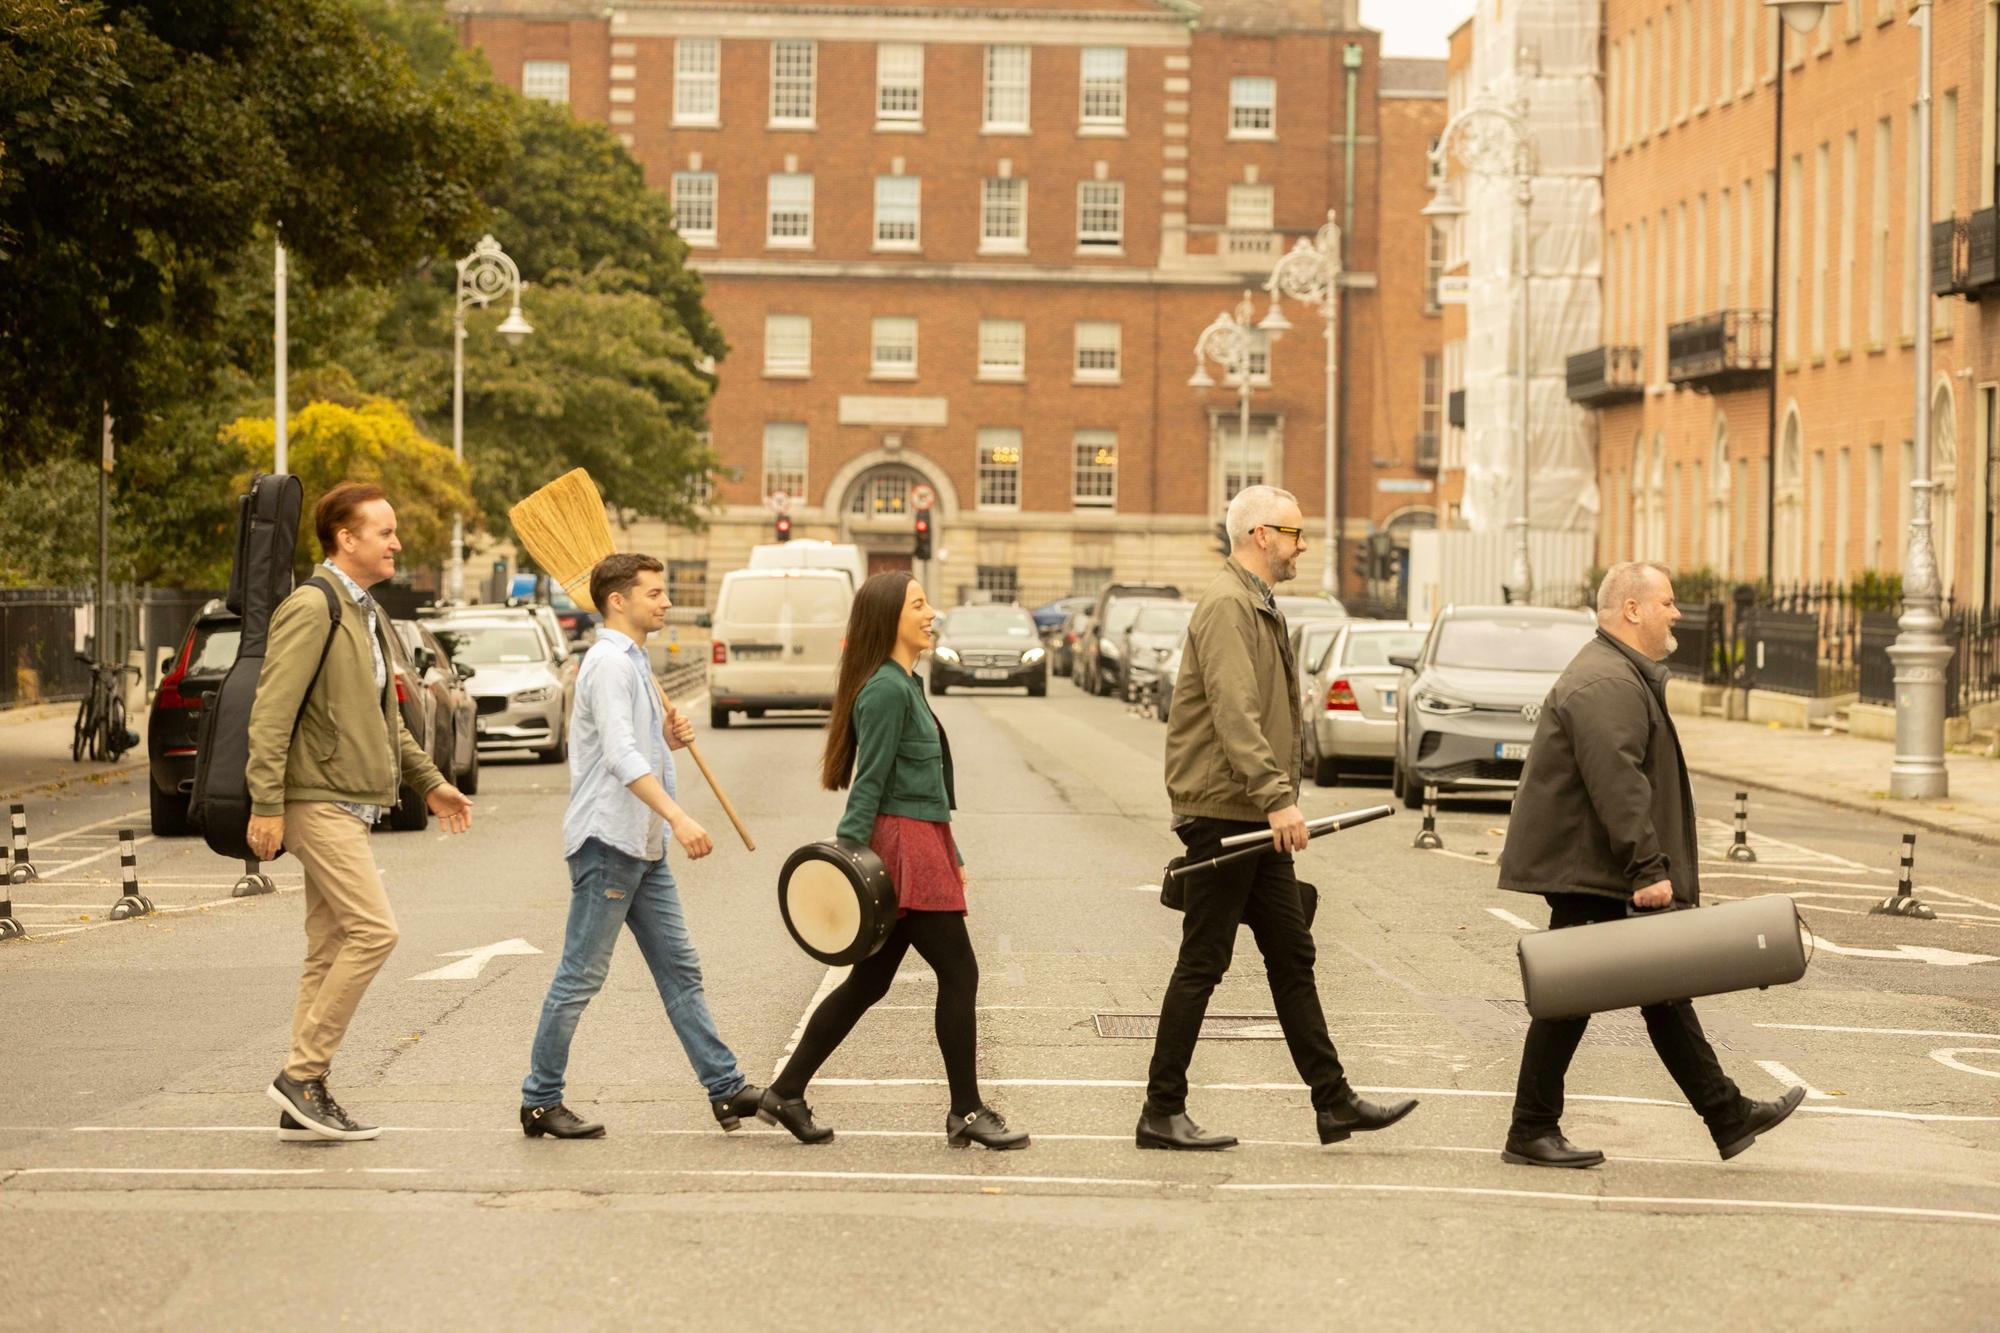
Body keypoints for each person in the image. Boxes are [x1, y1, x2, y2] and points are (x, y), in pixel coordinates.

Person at [1497, 561, 1806, 1168]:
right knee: (1574, 997)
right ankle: (1531, 1127)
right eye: (1666, 601)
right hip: (1595, 867)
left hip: (1596, 863)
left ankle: (1726, 1113)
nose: (1677, 613)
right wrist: (1648, 868)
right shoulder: (1607, 682)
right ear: (1631, 610)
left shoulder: (1616, 674)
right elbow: (1619, 784)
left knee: (1661, 990)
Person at [1138, 484, 1418, 1151]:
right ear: (1261, 534)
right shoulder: (1230, 606)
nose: (1301, 546)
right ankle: (1160, 1108)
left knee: (1292, 953)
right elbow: (1236, 714)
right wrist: (1276, 796)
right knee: (1204, 960)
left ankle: (1333, 1101)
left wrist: (1273, 797)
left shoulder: (1257, 604)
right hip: (1225, 811)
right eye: (1294, 533)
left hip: (1247, 812)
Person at [757, 572, 1028, 1151]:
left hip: (922, 843)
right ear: (890, 619)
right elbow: (870, 783)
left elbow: (923, 785)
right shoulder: (884, 690)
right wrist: (844, 866)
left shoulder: (904, 683)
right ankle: (966, 1111)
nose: (932, 613)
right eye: (919, 604)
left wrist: (950, 852)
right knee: (960, 973)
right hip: (901, 851)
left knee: (869, 982)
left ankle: (786, 1091)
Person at [248, 482, 475, 1142]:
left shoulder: (365, 613)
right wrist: (266, 803)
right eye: (385, 532)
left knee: (327, 949)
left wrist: (430, 782)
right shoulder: (313, 607)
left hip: (346, 799)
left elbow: (384, 720)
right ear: (346, 539)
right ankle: (302, 1074)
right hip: (314, 799)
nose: (397, 542)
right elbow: (272, 711)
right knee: (375, 931)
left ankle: (302, 1092)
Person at [518, 553, 764, 1139]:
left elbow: (636, 750)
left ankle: (725, 1089)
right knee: (580, 975)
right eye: (655, 593)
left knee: (681, 970)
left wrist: (669, 742)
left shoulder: (634, 662)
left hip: (641, 844)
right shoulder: (608, 663)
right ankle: (539, 1100)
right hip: (609, 840)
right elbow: (621, 758)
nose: (667, 602)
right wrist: (680, 816)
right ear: (618, 601)